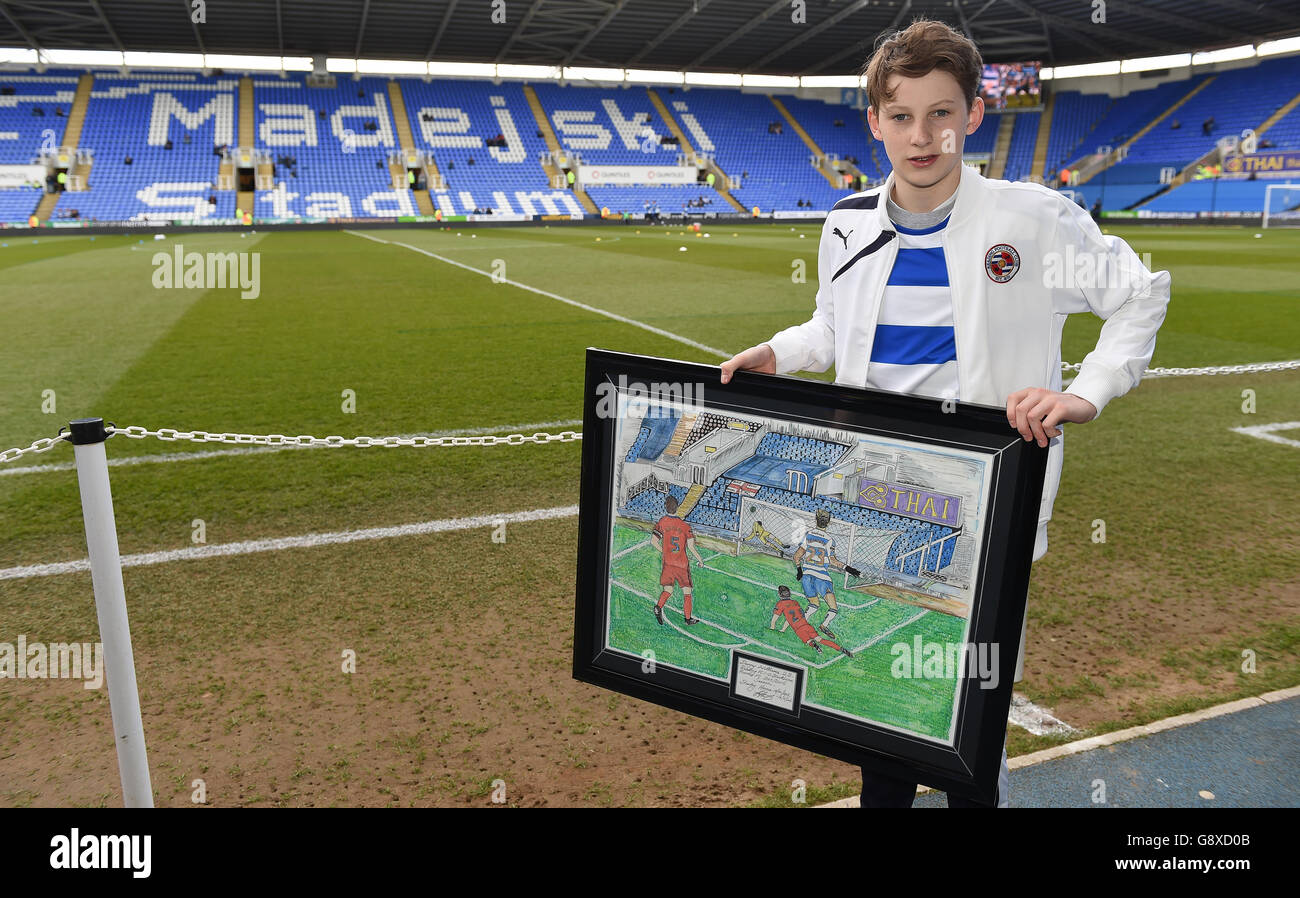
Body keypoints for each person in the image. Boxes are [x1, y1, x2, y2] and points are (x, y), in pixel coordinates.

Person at [719, 18, 1170, 808]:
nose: (921, 136)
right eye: (901, 116)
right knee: (876, 717)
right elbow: (833, 324)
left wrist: (1085, 392)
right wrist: (778, 353)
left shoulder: (1030, 221)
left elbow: (1139, 292)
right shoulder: (846, 224)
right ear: (875, 123)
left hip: (986, 513)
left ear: (972, 117)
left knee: (971, 727)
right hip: (872, 500)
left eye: (941, 115)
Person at [650, 494, 706, 626]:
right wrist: (700, 560)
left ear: (666, 507)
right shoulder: (685, 526)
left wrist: (665, 552)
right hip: (681, 564)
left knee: (668, 590)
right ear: (678, 507)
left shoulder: (662, 521)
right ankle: (687, 619)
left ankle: (658, 607)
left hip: (668, 563)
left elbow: (653, 542)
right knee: (687, 592)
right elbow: (691, 547)